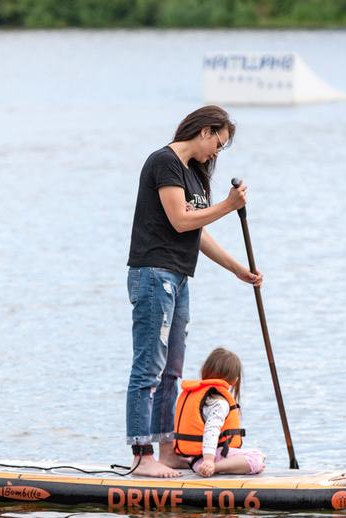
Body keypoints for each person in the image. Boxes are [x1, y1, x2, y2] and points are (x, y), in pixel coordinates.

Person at [125, 105, 263, 478]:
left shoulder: (194, 177)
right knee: (148, 367)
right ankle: (142, 454)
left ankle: (168, 450)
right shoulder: (164, 163)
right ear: (204, 131)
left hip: (180, 278)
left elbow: (198, 233)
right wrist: (227, 206)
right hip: (153, 275)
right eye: (218, 143)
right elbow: (181, 221)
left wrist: (239, 270)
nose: (216, 153)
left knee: (172, 370)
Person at [173, 347, 266, 477]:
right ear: (235, 381)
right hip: (207, 458)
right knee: (257, 457)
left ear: (204, 371)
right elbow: (211, 430)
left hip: (193, 458)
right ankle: (215, 468)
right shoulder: (220, 403)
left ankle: (211, 465)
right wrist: (209, 461)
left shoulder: (196, 396)